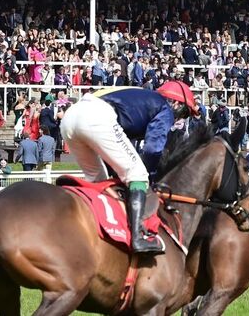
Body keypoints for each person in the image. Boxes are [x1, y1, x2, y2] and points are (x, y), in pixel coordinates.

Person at [58, 81, 198, 254]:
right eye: (184, 112)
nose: (180, 119)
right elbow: (153, 149)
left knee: (100, 181)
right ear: (176, 103)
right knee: (138, 174)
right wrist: (149, 178)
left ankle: (90, 230)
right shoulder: (165, 108)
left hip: (70, 118)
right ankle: (138, 236)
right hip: (96, 117)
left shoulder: (139, 99)